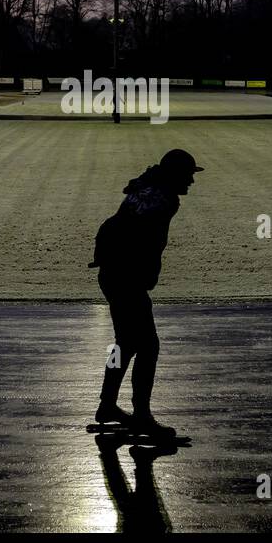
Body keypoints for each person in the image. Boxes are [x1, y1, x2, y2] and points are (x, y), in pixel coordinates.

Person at [89, 148, 202, 439]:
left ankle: (108, 406)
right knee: (147, 346)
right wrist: (144, 276)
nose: (191, 181)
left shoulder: (149, 189)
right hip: (124, 277)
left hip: (114, 273)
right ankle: (140, 415)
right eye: (188, 175)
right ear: (175, 174)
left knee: (125, 344)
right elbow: (143, 240)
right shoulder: (162, 200)